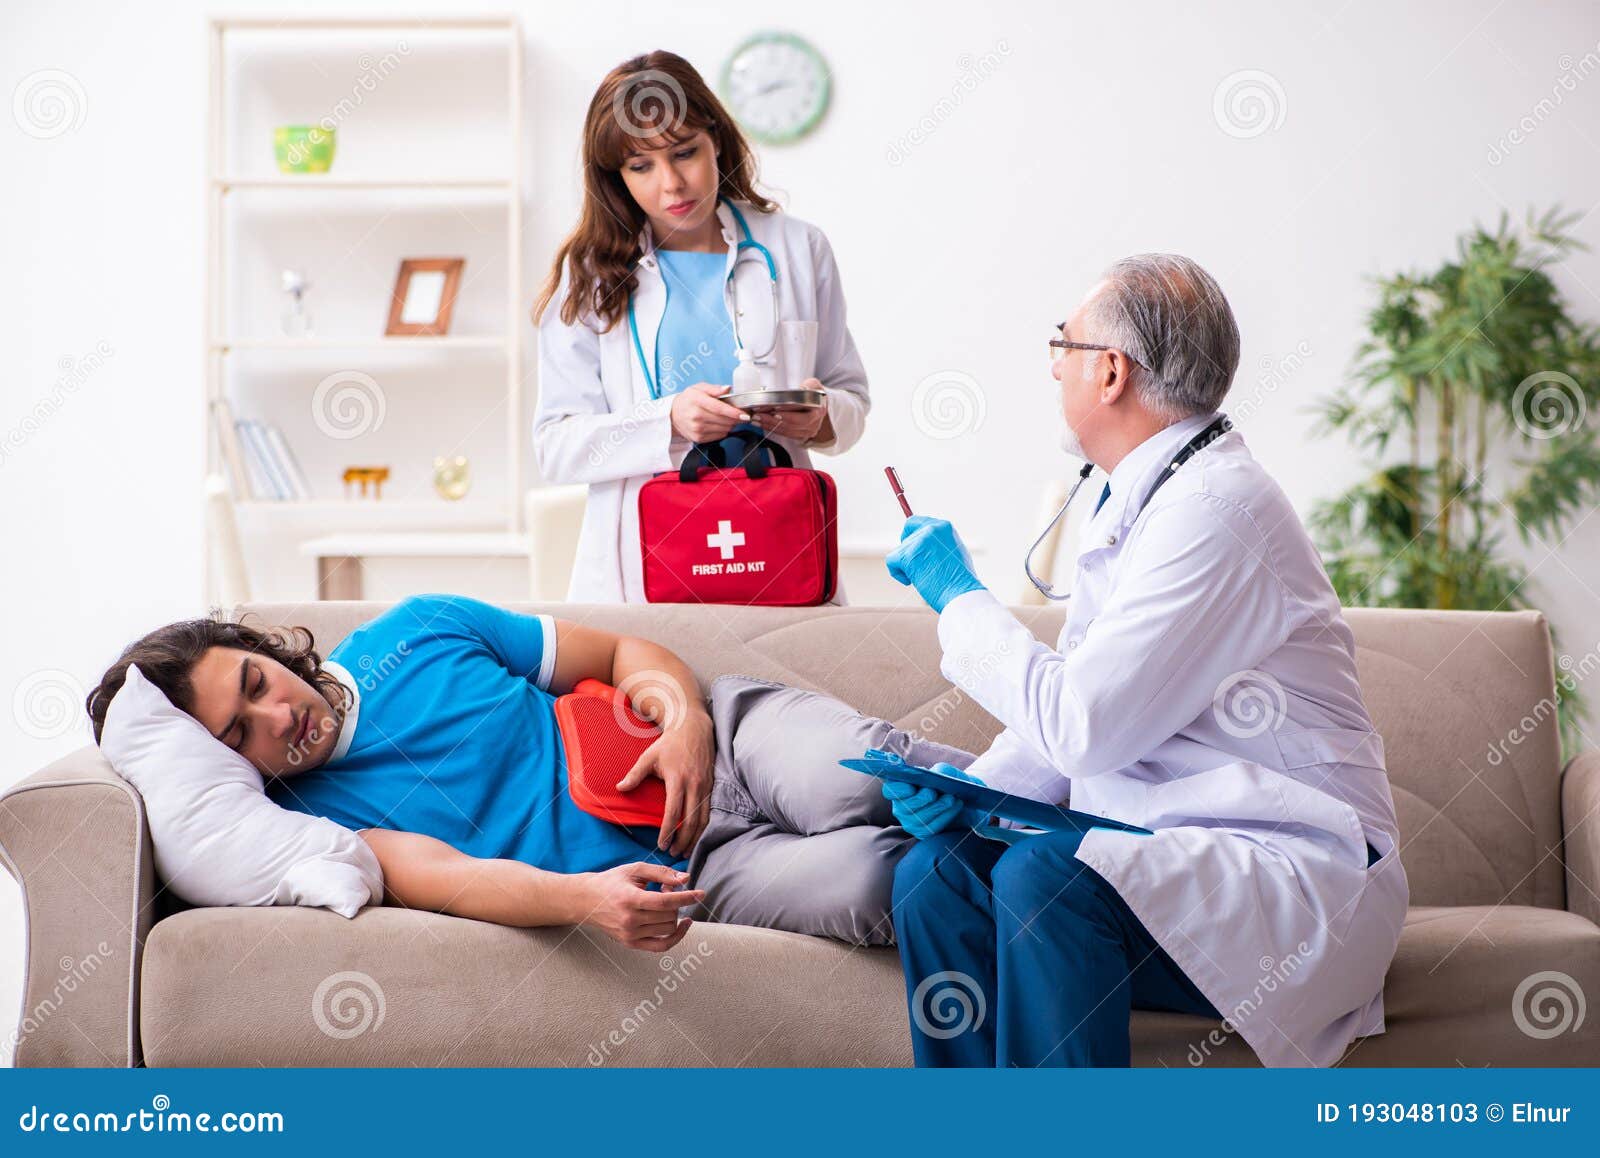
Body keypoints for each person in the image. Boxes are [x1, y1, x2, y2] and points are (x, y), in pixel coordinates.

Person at [881, 254, 1409, 1068]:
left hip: (1291, 872)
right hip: (1166, 851)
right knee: (935, 874)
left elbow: (1084, 727)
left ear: (1111, 372)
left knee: (1042, 879)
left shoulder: (1217, 511)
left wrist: (958, 595)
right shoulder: (1144, 495)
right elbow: (1091, 702)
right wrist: (971, 798)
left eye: (1064, 344)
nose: (1054, 364)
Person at [84, 595, 949, 952]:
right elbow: (454, 880)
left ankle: (1062, 809)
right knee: (882, 881)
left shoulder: (416, 631)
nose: (278, 716)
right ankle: (1046, 889)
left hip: (727, 738)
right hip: (700, 872)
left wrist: (681, 717)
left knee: (860, 781)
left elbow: (616, 651)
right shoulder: (315, 826)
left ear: (259, 646)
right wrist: (590, 901)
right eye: (240, 734)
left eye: (255, 682)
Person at [531, 50, 869, 602]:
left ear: (717, 140)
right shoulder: (588, 276)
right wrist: (669, 420)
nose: (671, 183)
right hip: (641, 571)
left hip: (780, 549)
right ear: (616, 176)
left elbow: (851, 397)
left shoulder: (799, 248)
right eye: (641, 167)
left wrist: (821, 418)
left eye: (685, 153)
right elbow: (557, 447)